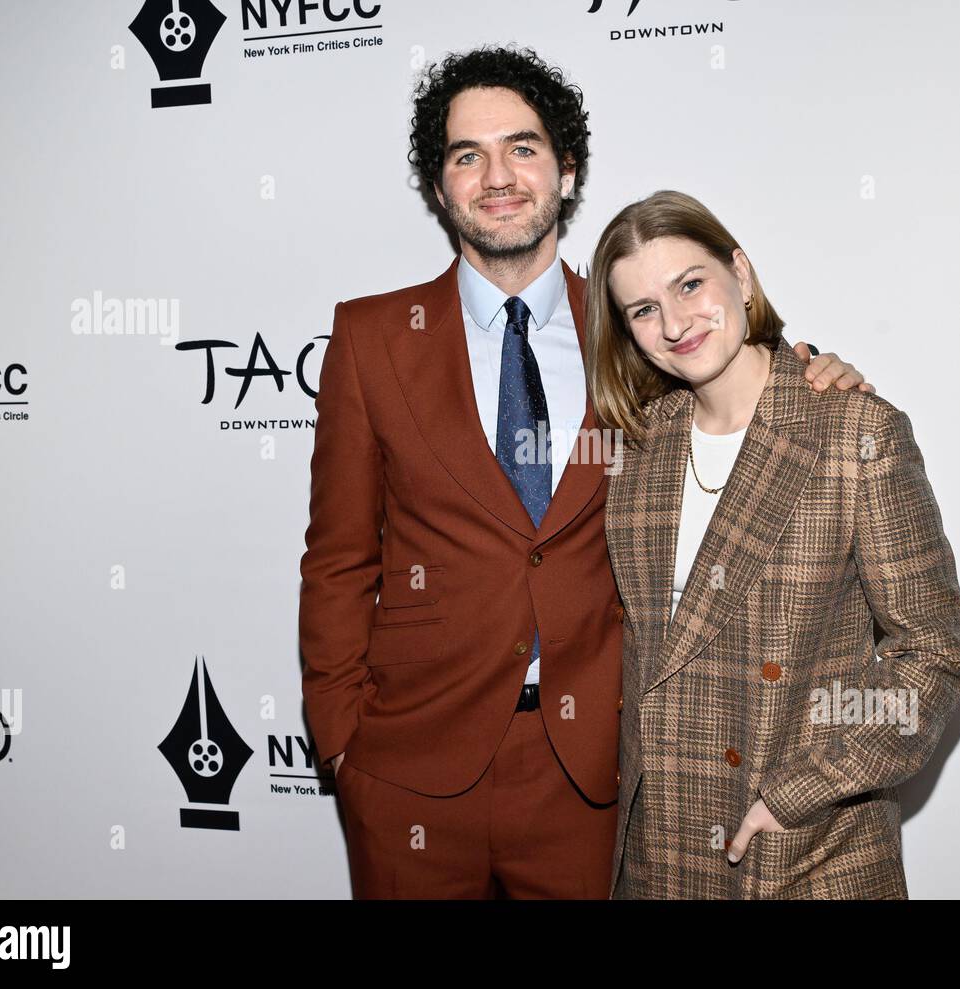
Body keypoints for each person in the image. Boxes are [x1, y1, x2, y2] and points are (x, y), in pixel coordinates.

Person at [298, 48, 870, 899]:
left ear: (566, 171)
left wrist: (817, 372)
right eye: (468, 155)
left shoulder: (637, 331)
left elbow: (739, 387)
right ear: (440, 185)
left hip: (590, 771)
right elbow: (339, 557)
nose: (497, 176)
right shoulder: (372, 336)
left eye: (523, 148)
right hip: (408, 765)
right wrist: (342, 739)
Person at [587, 189, 960, 899]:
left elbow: (934, 657)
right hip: (659, 854)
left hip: (803, 853)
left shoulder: (856, 431)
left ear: (741, 272)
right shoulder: (634, 449)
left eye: (691, 284)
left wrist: (799, 791)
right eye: (644, 309)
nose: (675, 323)